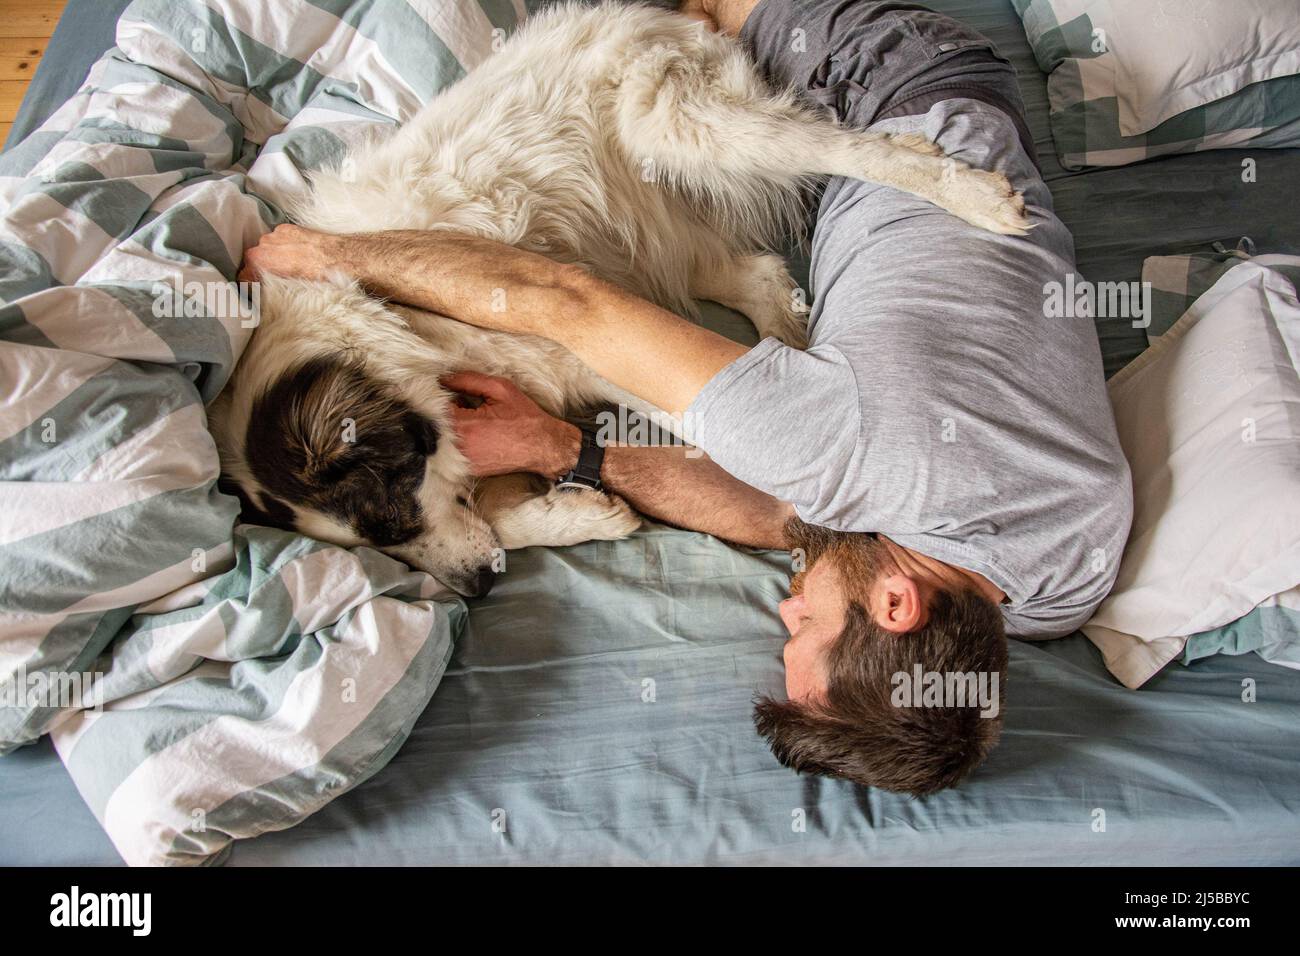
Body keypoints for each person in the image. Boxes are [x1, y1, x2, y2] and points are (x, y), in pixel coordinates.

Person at [241, 0, 1133, 795]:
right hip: (879, 82)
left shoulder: (1063, 588)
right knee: (701, 11)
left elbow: (782, 518)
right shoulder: (831, 449)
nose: (783, 611)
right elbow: (561, 300)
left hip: (974, 123)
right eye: (804, 629)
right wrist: (330, 257)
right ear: (898, 606)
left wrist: (566, 450)